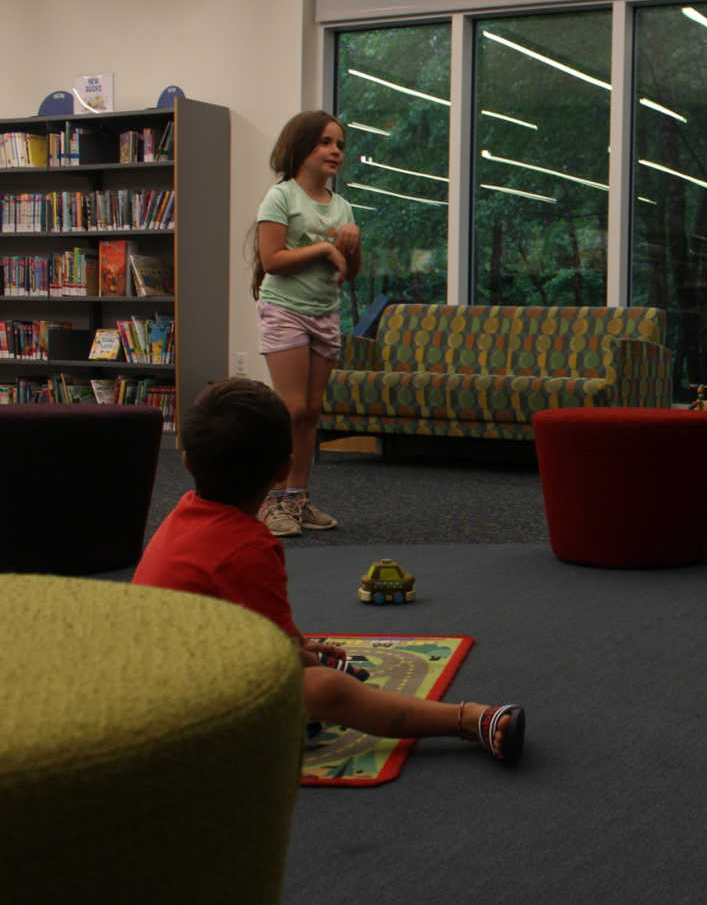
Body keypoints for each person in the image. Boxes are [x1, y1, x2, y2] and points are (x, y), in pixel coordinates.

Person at [134, 378, 525, 764]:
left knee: (302, 663)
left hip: (152, 689)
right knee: (325, 690)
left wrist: (297, 648)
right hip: (183, 723)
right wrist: (306, 664)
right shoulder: (248, 547)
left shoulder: (185, 514)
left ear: (187, 463)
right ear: (284, 470)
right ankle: (467, 719)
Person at [250, 110, 361, 538]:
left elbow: (348, 272)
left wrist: (351, 246)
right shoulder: (281, 197)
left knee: (312, 411)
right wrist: (324, 250)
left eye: (340, 145)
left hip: (324, 312)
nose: (335, 151)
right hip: (285, 310)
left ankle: (297, 498)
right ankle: (271, 501)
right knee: (291, 408)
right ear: (301, 147)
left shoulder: (343, 206)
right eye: (326, 142)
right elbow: (272, 260)